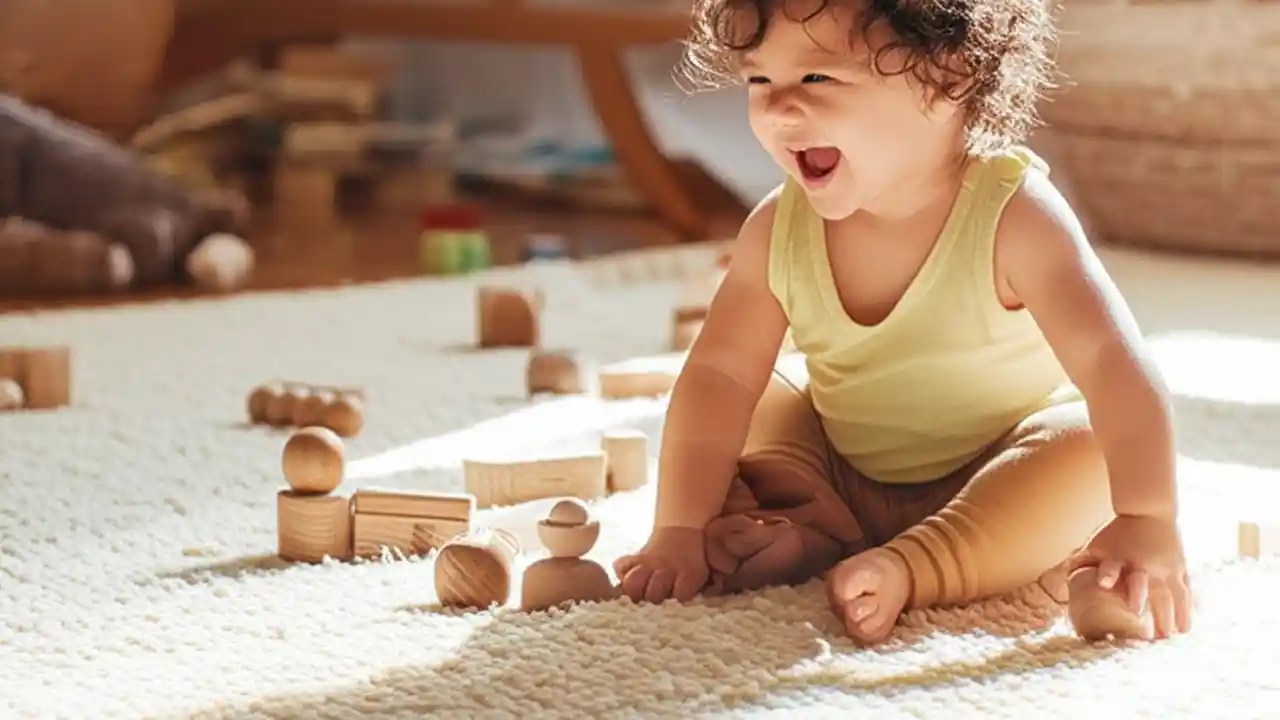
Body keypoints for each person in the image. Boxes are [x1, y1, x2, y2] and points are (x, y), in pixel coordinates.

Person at [613, 0, 1191, 645]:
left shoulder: (1015, 217)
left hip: (996, 476)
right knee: (744, 390)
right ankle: (811, 525)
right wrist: (678, 529)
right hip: (840, 470)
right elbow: (719, 375)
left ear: (951, 76)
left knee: (1085, 451)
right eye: (759, 80)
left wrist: (1148, 514)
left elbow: (1113, 363)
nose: (778, 108)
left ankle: (914, 567)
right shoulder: (776, 229)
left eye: (817, 79)